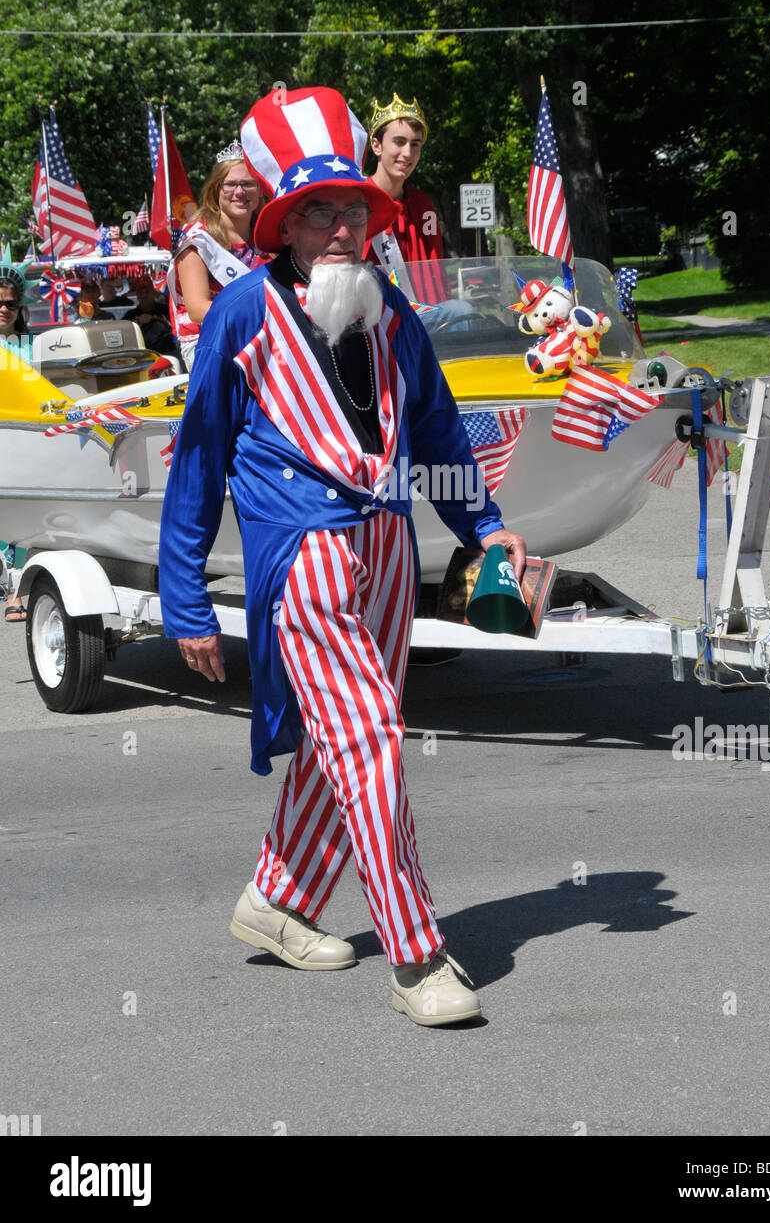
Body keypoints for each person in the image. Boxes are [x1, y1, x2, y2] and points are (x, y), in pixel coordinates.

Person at [158, 85, 526, 1027]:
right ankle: (417, 955)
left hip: (389, 547)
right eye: (315, 211)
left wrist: (487, 531)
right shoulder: (239, 314)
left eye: (351, 209)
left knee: (342, 745)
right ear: (281, 226)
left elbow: (441, 435)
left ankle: (276, 900)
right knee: (370, 740)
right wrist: (187, 597)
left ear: (371, 219)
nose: (335, 227)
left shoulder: (392, 314)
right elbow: (197, 461)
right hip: (303, 553)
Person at [363, 94, 474, 330]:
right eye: (399, 142)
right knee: (462, 311)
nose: (407, 153)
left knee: (463, 316)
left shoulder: (422, 204)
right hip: (378, 322)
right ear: (376, 145)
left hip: (424, 318)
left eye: (415, 145)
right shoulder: (357, 203)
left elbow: (435, 269)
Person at [167, 141, 269, 370]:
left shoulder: (269, 237)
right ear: (216, 190)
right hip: (210, 342)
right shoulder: (198, 240)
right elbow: (197, 309)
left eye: (248, 184)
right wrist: (260, 316)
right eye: (230, 184)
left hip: (262, 338)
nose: (240, 192)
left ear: (260, 190)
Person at [0, 263, 30, 622]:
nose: (4, 308)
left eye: (10, 303)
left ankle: (15, 592)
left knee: (19, 522)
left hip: (24, 444)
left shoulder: (34, 345)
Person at [125, 276, 178, 356]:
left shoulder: (164, 309)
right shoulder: (130, 314)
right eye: (141, 293)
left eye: (147, 292)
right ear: (137, 296)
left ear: (153, 293)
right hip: (141, 353)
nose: (144, 296)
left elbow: (174, 328)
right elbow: (126, 335)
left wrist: (153, 319)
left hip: (166, 351)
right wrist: (137, 323)